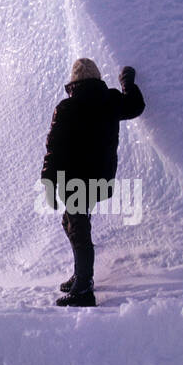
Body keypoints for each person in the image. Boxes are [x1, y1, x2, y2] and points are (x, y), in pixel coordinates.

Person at [41, 58, 145, 307]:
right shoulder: (110, 100)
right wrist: (127, 82)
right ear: (98, 78)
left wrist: (48, 180)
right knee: (74, 222)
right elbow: (135, 105)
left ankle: (84, 289)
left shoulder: (66, 108)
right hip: (101, 179)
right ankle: (81, 276)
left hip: (74, 181)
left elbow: (53, 149)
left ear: (73, 82)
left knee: (77, 228)